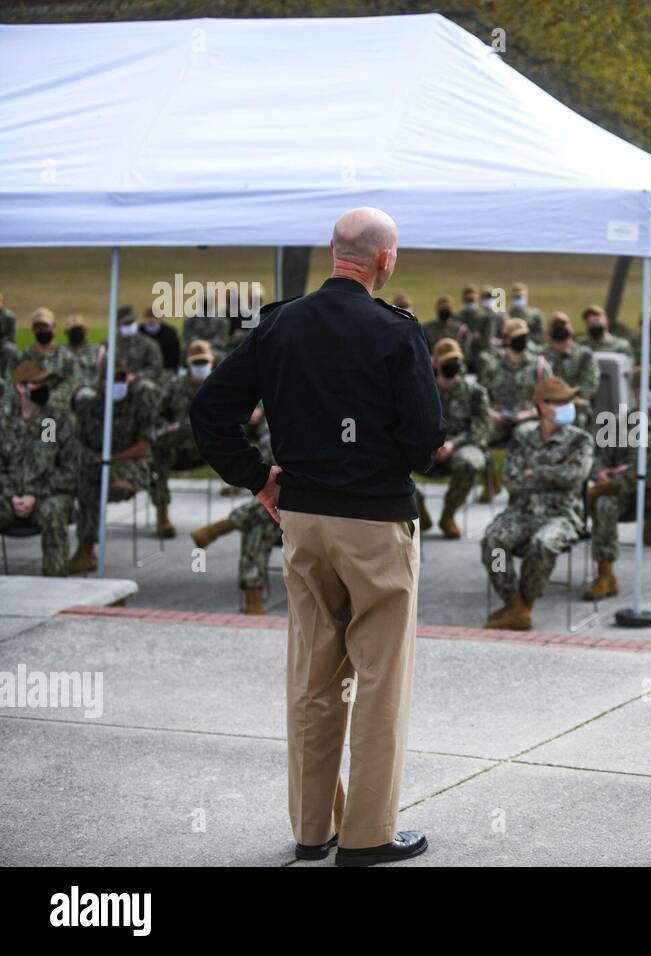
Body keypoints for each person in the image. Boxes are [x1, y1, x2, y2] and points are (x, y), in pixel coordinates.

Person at [189, 206, 445, 867]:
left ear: (334, 252)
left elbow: (209, 410)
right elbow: (422, 445)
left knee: (312, 677)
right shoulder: (395, 332)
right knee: (381, 682)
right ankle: (367, 835)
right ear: (384, 261)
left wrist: (259, 478)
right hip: (375, 523)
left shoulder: (280, 323)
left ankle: (312, 830)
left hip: (301, 518)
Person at [480, 376, 594, 630]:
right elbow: (512, 479)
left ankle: (525, 602)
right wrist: (553, 472)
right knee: (493, 543)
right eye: (560, 401)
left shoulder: (580, 440)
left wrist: (536, 471)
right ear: (543, 406)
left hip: (561, 515)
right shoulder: (522, 436)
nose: (568, 405)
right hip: (521, 511)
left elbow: (574, 476)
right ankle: (512, 601)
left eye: (569, 401)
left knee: (543, 543)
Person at [583, 367, 651, 600]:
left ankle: (615, 484)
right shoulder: (618, 423)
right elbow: (597, 458)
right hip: (625, 495)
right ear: (637, 391)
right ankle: (605, 575)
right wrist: (601, 474)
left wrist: (629, 471)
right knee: (604, 501)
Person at [67, 357, 159, 575]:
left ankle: (86, 547)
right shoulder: (91, 407)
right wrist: (96, 459)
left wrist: (111, 458)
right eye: (112, 379)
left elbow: (145, 446)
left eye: (121, 378)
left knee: (97, 479)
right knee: (88, 482)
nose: (118, 383)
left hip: (131, 463)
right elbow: (78, 443)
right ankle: (86, 549)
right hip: (98, 465)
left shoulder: (139, 401)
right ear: (100, 383)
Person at [190, 411, 281, 615]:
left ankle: (223, 527)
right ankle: (253, 600)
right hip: (281, 508)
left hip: (317, 509)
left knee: (265, 516)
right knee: (262, 521)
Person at [0, 362, 80, 576]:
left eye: (45, 383)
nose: (43, 388)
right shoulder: (5, 421)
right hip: (9, 498)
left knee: (54, 510)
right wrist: (12, 496)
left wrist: (35, 495)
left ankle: (55, 582)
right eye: (36, 384)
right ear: (21, 388)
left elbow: (69, 471)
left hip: (46, 497)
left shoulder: (52, 423)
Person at [419, 339, 489, 539]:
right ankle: (416, 508)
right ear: (435, 363)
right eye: (447, 360)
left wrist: (452, 444)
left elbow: (480, 429)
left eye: (456, 360)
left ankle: (447, 515)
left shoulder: (475, 393)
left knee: (470, 462)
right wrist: (433, 444)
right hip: (426, 449)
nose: (453, 364)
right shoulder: (423, 391)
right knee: (391, 458)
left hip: (460, 447)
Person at [480, 316, 552, 502]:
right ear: (506, 339)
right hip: (498, 417)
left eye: (524, 336)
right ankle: (490, 481)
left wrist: (529, 414)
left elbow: (550, 399)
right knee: (478, 437)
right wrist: (492, 413)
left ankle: (517, 489)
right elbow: (480, 397)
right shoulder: (493, 364)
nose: (522, 340)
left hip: (529, 418)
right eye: (516, 336)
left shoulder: (539, 365)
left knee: (522, 436)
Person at [149, 340, 214, 538]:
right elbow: (158, 416)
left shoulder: (219, 384)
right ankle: (162, 515)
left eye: (204, 362)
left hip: (211, 448)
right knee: (158, 453)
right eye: (197, 363)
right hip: (178, 448)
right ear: (188, 364)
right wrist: (169, 430)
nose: (201, 367)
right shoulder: (175, 386)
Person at [542, 312, 599, 420]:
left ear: (571, 328)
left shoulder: (584, 355)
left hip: (574, 405)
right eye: (556, 327)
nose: (561, 330)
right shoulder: (541, 355)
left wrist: (564, 398)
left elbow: (588, 386)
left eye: (564, 325)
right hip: (547, 404)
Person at [18, 308, 77, 409]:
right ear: (33, 330)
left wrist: (50, 399)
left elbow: (69, 382)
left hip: (57, 407)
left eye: (45, 326)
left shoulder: (65, 355)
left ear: (54, 327)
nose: (41, 330)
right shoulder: (25, 355)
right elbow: (17, 382)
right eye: (38, 327)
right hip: (28, 405)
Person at [113, 306, 165, 387]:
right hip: (113, 383)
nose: (129, 326)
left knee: (146, 386)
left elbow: (156, 369)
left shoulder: (149, 344)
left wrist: (136, 376)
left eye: (131, 322)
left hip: (137, 383)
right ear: (118, 325)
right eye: (126, 323)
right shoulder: (110, 344)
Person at [182, 294, 231, 361]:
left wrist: (206, 345)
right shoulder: (191, 320)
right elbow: (188, 337)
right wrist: (199, 344)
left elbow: (222, 340)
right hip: (194, 349)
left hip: (214, 350)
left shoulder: (222, 320)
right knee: (184, 352)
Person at [63, 315, 99, 394]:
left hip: (91, 392)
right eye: (73, 330)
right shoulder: (61, 352)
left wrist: (85, 386)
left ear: (86, 330)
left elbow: (102, 376)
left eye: (79, 329)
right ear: (66, 333)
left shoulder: (97, 350)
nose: (76, 332)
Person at [141, 304, 182, 373]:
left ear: (161, 319)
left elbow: (175, 357)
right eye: (150, 321)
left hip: (166, 370)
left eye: (155, 320)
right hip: (144, 371)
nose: (152, 322)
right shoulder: (140, 332)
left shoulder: (170, 334)